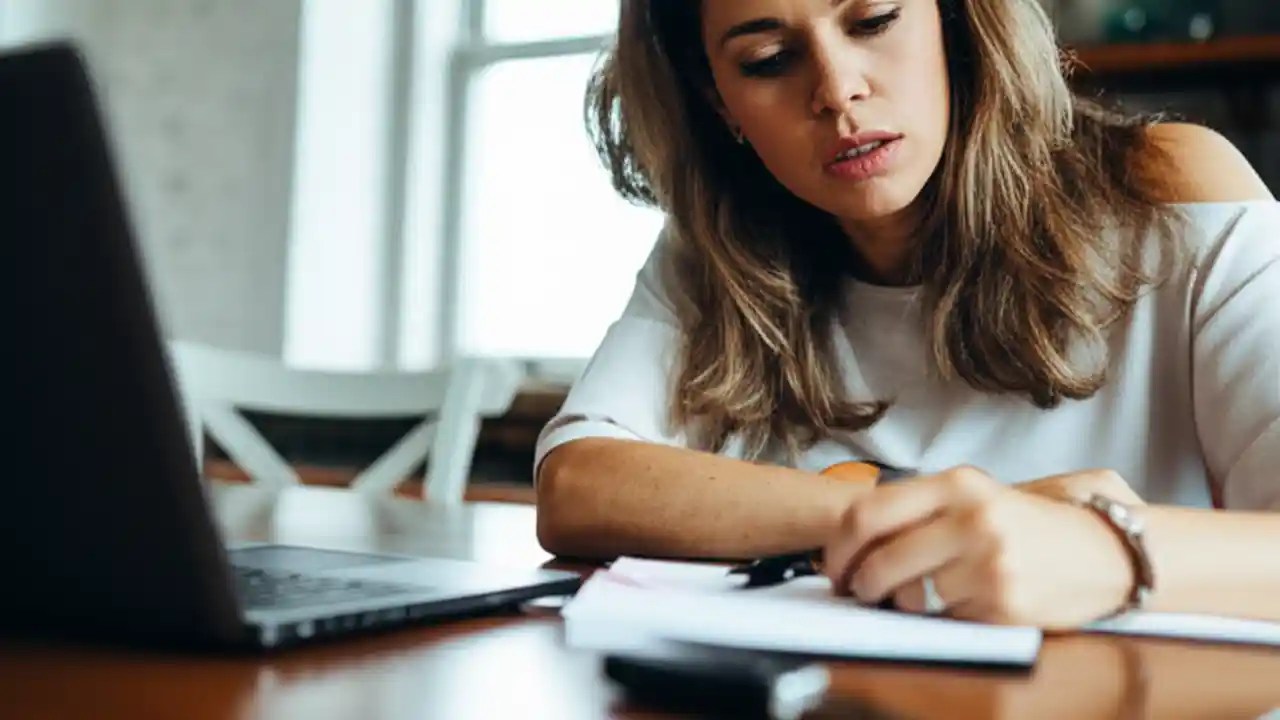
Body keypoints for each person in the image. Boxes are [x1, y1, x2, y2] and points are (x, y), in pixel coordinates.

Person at [534, 0, 1280, 629]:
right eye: (767, 59)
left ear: (952, 21)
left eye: (875, 19)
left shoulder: (1171, 188)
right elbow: (578, 484)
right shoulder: (722, 250)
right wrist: (928, 515)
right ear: (717, 100)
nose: (837, 90)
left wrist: (1105, 550)